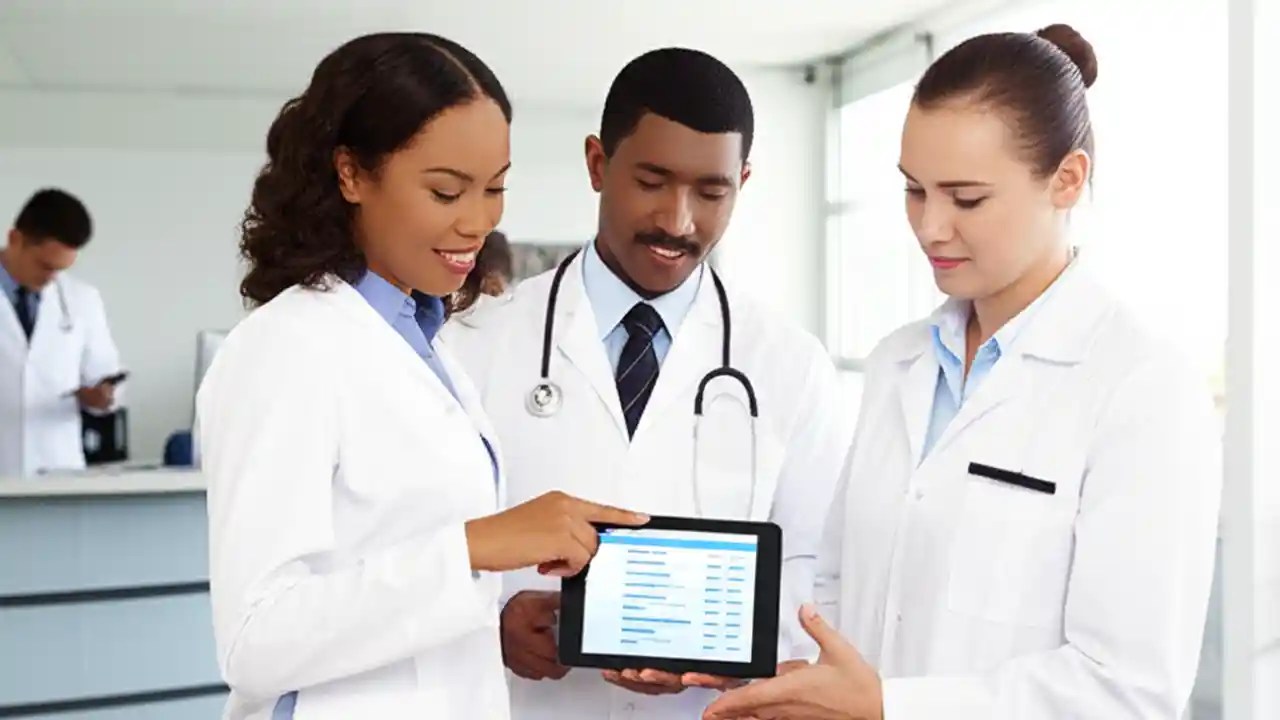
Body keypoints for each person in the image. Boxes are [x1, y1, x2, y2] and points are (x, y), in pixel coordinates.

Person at [702, 24, 1221, 720]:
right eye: (914, 191)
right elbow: (837, 593)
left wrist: (889, 707)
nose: (929, 226)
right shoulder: (898, 363)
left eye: (966, 198)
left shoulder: (1142, 388)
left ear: (1067, 180)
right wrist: (768, 673)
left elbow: (1128, 690)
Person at [195, 33, 646, 720]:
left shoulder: (424, 342)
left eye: (496, 188)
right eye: (445, 190)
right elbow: (255, 642)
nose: (478, 222)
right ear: (350, 174)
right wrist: (476, 548)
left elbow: (388, 562)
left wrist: (492, 612)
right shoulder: (284, 349)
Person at [441, 47, 851, 720]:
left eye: (712, 192)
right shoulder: (478, 342)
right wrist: (491, 624)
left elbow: (817, 580)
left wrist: (724, 657)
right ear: (598, 164)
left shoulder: (791, 367)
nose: (678, 220)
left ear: (742, 181)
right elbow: (419, 550)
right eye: (652, 181)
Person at [0, 188, 124, 476]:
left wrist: (102, 397)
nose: (51, 279)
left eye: (60, 269)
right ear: (15, 239)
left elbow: (106, 376)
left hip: (57, 470)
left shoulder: (82, 300)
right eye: (44, 266)